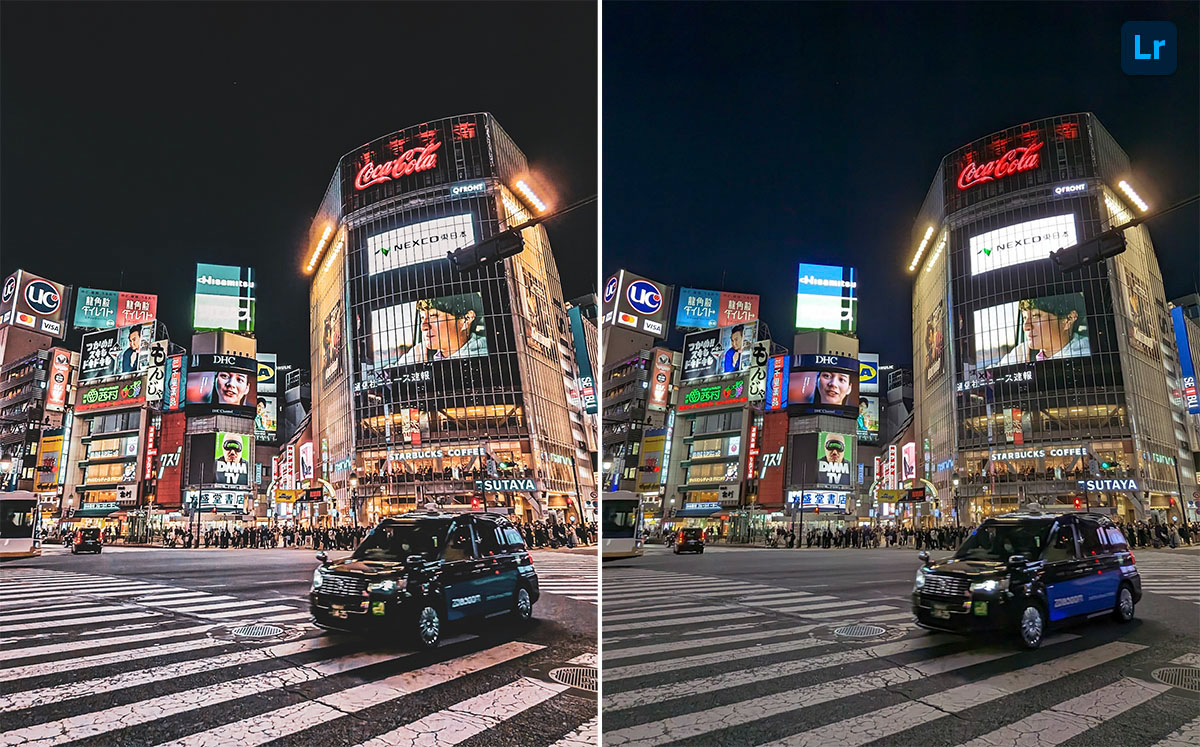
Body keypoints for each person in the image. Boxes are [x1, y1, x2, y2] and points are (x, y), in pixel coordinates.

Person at [998, 295, 1090, 366]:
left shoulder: (1084, 356)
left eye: (1035, 316)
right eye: (1025, 318)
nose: (1026, 326)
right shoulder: (1023, 352)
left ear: (1068, 320)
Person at [397, 294, 488, 364]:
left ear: (466, 319)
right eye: (422, 318)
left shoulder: (484, 356)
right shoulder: (420, 353)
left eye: (433, 316)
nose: (423, 327)